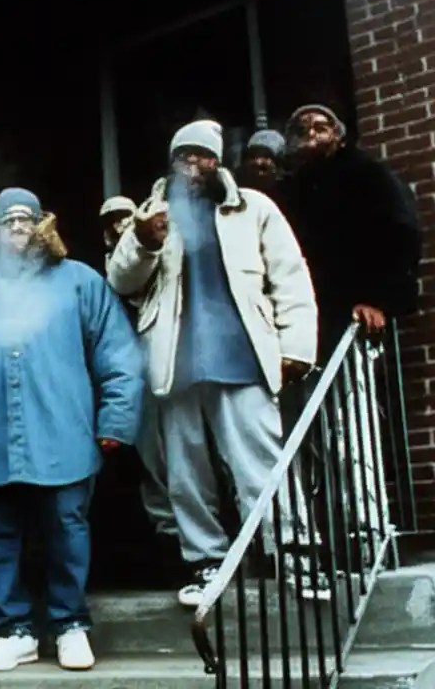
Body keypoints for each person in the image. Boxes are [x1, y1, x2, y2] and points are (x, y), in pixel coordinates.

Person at [106, 120, 318, 608]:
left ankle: (294, 551)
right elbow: (120, 281)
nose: (191, 164)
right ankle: (206, 561)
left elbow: (290, 277)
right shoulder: (152, 214)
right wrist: (143, 241)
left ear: (217, 162)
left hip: (241, 356)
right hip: (175, 362)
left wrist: (296, 347)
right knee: (184, 473)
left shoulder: (253, 208)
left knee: (261, 462)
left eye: (201, 155)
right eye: (183, 156)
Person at [0, 188, 143, 672]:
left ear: (42, 224)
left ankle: (70, 624)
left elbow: (118, 357)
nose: (17, 228)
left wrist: (114, 419)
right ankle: (13, 631)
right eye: (7, 220)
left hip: (62, 431)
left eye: (25, 219)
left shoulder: (79, 281)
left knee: (66, 530)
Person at [280, 104, 421, 353]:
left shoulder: (367, 174)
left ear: (338, 136)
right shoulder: (292, 191)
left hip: (358, 313)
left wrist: (379, 301)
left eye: (320, 128)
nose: (311, 134)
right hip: (313, 311)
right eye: (302, 130)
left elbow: (400, 233)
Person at [236, 129, 287, 200]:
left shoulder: (288, 195)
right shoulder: (236, 192)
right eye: (252, 156)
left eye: (266, 156)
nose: (258, 162)